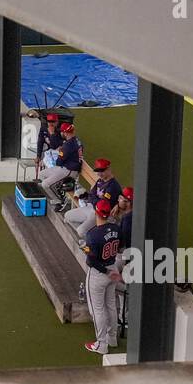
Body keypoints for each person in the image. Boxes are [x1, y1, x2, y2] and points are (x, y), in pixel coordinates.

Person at [82, 201, 123, 355]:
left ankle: (101, 344)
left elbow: (91, 260)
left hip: (99, 273)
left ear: (96, 213)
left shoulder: (93, 234)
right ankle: (112, 338)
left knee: (98, 310)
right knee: (111, 305)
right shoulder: (116, 229)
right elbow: (119, 247)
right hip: (112, 266)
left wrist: (85, 249)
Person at [40, 121, 83, 207]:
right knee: (41, 174)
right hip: (69, 167)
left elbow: (58, 162)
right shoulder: (77, 140)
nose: (61, 133)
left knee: (45, 184)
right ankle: (59, 190)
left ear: (65, 133)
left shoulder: (67, 145)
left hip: (69, 170)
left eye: (62, 131)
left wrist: (61, 151)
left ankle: (59, 200)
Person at [34, 112, 64, 176]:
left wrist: (52, 134)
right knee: (42, 170)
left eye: (53, 122)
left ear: (57, 122)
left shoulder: (61, 130)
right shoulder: (43, 128)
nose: (51, 123)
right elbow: (40, 142)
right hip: (49, 154)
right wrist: (38, 156)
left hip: (60, 155)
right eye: (49, 121)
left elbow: (54, 146)